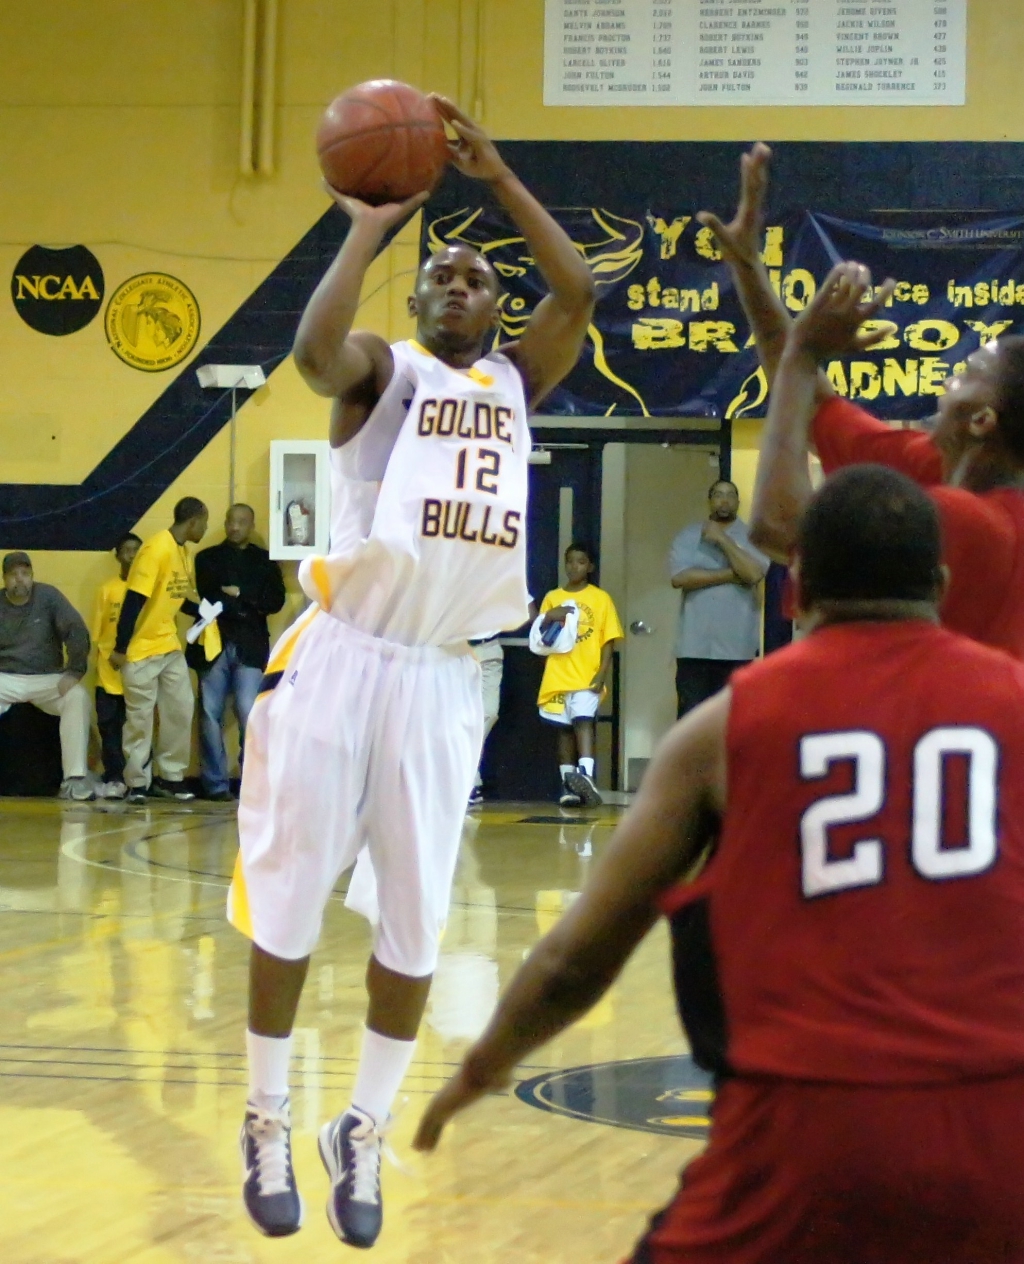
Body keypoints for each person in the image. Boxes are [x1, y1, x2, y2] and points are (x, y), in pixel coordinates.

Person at [414, 465, 1024, 1264]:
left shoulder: (726, 726)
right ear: (940, 585)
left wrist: (483, 1065)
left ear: (796, 590)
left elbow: (577, 958)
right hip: (1000, 1135)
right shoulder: (1014, 700)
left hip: (799, 1141)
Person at [229, 93, 595, 1247]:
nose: (457, 282)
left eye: (476, 276)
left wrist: (498, 179)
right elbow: (310, 353)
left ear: (495, 306)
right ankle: (265, 1113)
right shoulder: (382, 376)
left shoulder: (514, 384)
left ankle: (361, 1126)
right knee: (288, 904)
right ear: (417, 300)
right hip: (343, 659)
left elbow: (578, 289)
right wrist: (366, 228)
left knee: (417, 928)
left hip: (443, 678)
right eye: (438, 272)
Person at [701, 143, 1024, 656]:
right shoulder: (929, 462)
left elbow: (778, 526)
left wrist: (804, 356)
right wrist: (747, 268)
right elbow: (810, 405)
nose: (945, 382)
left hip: (944, 705)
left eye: (964, 376)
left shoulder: (967, 520)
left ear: (982, 420)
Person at [110, 497, 209, 803]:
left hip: (168, 645)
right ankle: (137, 782)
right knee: (139, 720)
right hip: (140, 650)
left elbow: (176, 596)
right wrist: (120, 648)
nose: (205, 528)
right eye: (204, 523)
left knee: (181, 707)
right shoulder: (155, 549)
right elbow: (133, 602)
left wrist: (205, 611)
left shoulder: (183, 551)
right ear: (193, 522)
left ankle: (170, 777)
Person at [194, 505, 285, 801]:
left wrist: (239, 595)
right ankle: (215, 784)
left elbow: (275, 601)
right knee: (210, 713)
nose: (235, 527)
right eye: (230, 522)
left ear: (252, 525)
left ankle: (251, 780)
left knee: (250, 712)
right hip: (213, 643)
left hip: (251, 645)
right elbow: (208, 597)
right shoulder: (207, 558)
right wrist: (248, 603)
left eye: (241, 522)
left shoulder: (265, 561)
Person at [669, 479, 769, 718]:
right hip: (694, 647)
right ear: (709, 501)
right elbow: (680, 578)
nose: (724, 500)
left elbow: (754, 574)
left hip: (737, 648)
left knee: (734, 718)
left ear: (738, 502)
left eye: (730, 495)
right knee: (692, 718)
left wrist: (722, 540)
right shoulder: (688, 535)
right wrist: (733, 574)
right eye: (718, 495)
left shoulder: (754, 537)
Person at [535, 543, 623, 808]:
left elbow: (608, 640)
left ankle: (586, 777)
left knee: (583, 722)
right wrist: (551, 615)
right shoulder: (553, 597)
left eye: (581, 562)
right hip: (558, 675)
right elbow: (540, 636)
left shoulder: (601, 598)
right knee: (563, 730)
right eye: (570, 561)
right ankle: (568, 784)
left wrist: (602, 673)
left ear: (590, 567)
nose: (574, 567)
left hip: (587, 675)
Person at [0, 552, 93, 801]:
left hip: (46, 678)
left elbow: (76, 629)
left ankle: (74, 778)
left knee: (77, 698)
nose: (20, 579)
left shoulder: (49, 597)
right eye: (13, 575)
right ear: (5, 579)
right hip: (5, 677)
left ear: (32, 576)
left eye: (25, 573)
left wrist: (74, 671)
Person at [91, 532, 142, 798]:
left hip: (138, 669)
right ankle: (113, 777)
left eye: (137, 550)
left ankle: (137, 780)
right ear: (118, 556)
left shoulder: (147, 591)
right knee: (109, 726)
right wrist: (108, 658)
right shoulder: (107, 590)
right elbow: (99, 633)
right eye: (127, 550)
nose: (132, 555)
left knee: (137, 727)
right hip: (109, 671)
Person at [467, 634, 503, 807]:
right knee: (460, 716)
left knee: (489, 712)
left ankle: (466, 777)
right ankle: (469, 781)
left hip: (488, 647)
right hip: (457, 649)